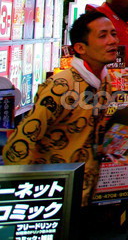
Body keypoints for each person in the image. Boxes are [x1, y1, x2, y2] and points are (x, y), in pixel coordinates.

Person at [2, 11, 119, 204]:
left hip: (82, 193)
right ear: (80, 47)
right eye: (103, 35)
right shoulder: (61, 86)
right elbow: (20, 142)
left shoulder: (105, 80)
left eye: (113, 34)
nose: (112, 40)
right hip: (51, 196)